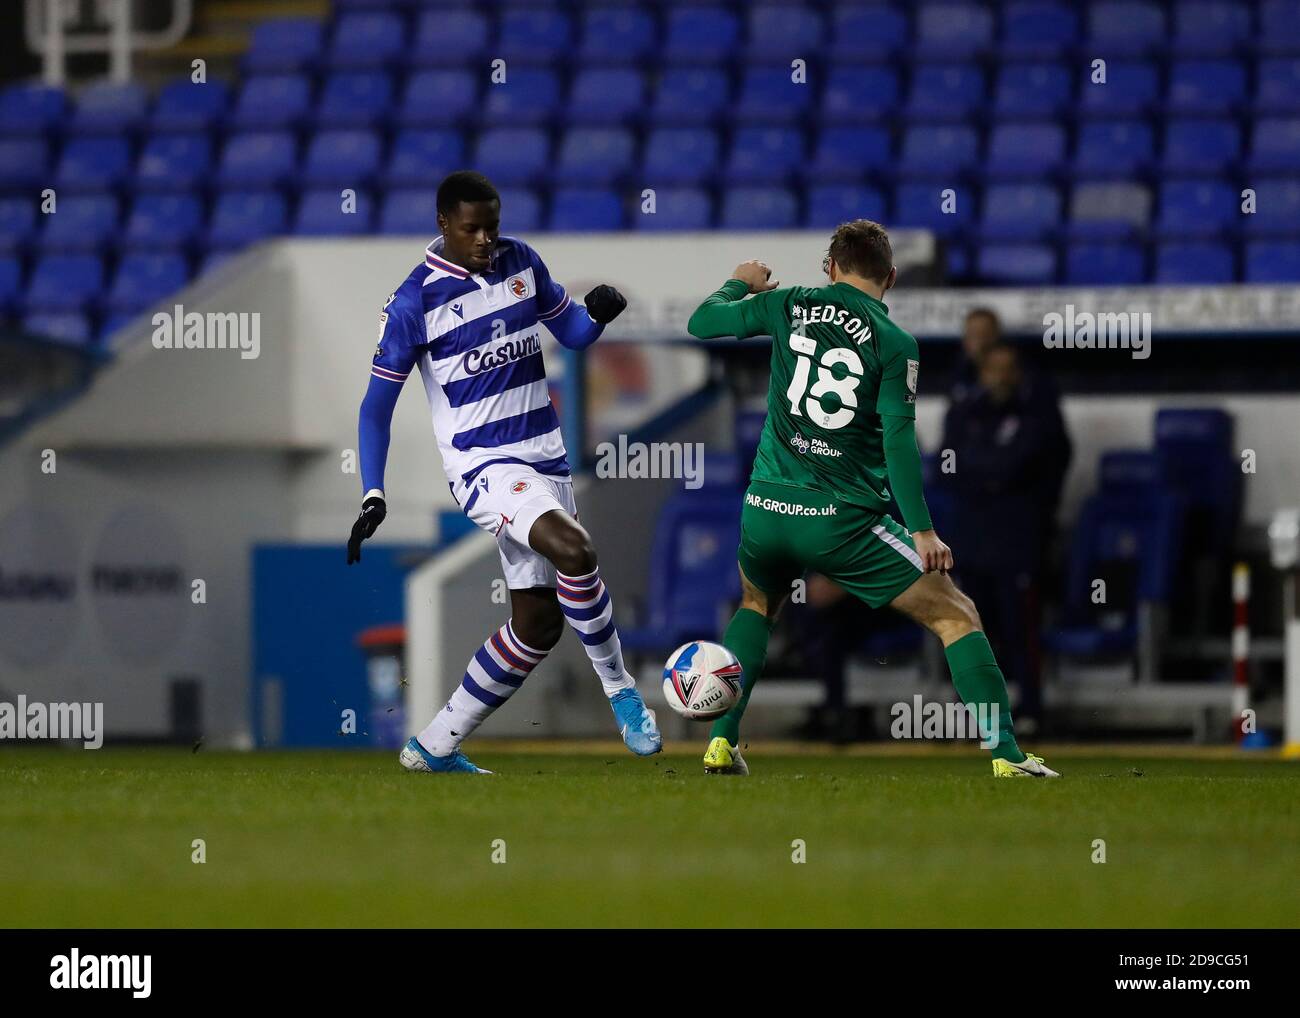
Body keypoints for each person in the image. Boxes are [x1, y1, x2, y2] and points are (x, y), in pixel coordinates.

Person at [685, 219, 1059, 778]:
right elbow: (898, 438)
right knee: (958, 615)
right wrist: (922, 529)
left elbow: (701, 322)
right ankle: (1007, 754)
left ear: (829, 267)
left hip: (766, 508)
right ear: (890, 275)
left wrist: (740, 282)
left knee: (756, 608)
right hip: (840, 520)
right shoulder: (895, 343)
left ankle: (721, 741)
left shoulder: (787, 304)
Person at [346, 171, 661, 773]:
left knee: (537, 626)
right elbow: (374, 408)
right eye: (473, 228)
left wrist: (596, 316)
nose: (486, 238)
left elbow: (569, 333)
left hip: (547, 458)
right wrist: (372, 492)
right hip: (484, 466)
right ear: (443, 224)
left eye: (493, 224)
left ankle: (433, 745)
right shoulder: (415, 301)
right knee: (575, 549)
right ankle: (622, 691)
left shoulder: (522, 261)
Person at [940, 342, 1072, 725]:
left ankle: (1031, 708)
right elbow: (949, 466)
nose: (999, 376)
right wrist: (992, 473)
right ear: (982, 374)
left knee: (1020, 630)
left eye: (1007, 368)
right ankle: (969, 712)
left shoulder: (1035, 417)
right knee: (968, 629)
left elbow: (1021, 464)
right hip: (974, 539)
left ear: (1018, 374)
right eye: (992, 368)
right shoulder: (965, 414)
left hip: (1018, 541)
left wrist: (988, 472)